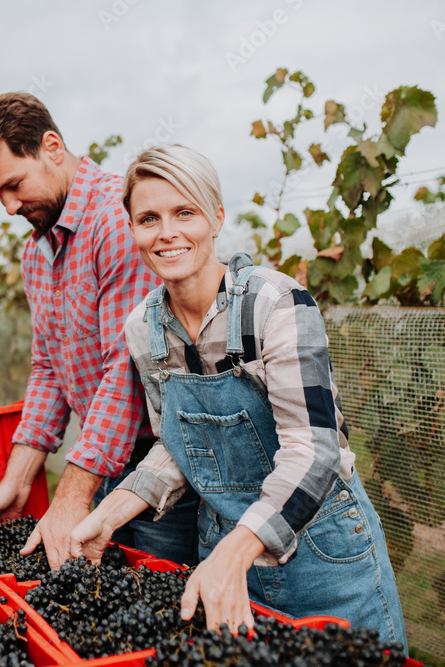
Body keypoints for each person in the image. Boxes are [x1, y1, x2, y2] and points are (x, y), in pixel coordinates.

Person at [68, 144, 407, 651]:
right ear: (132, 229)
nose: (167, 233)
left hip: (322, 554)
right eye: (148, 218)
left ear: (217, 217)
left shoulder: (276, 304)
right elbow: (178, 447)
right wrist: (110, 513)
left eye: (185, 213)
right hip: (225, 552)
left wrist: (236, 549)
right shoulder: (143, 329)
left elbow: (315, 452)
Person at [0, 93, 199, 568]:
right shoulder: (37, 252)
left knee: (158, 609)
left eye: (13, 184)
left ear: (51, 147)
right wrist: (20, 476)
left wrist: (70, 497)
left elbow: (127, 369)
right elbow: (49, 367)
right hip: (104, 464)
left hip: (164, 475)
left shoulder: (118, 220)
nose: (8, 207)